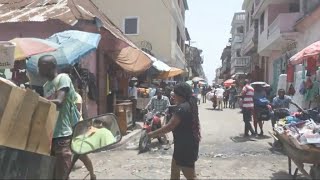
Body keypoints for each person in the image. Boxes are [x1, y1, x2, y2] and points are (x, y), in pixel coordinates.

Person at [148, 83, 200, 180]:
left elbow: (170, 126)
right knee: (175, 172)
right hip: (184, 144)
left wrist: (152, 134)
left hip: (185, 147)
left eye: (174, 94)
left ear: (180, 95)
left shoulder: (183, 108)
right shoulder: (188, 105)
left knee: (190, 176)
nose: (173, 96)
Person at [38, 55, 79, 179]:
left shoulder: (63, 78)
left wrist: (37, 100)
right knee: (53, 175)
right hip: (51, 135)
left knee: (62, 174)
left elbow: (59, 102)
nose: (39, 70)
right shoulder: (46, 85)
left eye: (41, 67)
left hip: (63, 134)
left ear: (51, 66)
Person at [73, 81, 96, 180]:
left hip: (77, 128)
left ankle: (92, 174)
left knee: (82, 155)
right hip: (68, 129)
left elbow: (77, 113)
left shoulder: (76, 96)